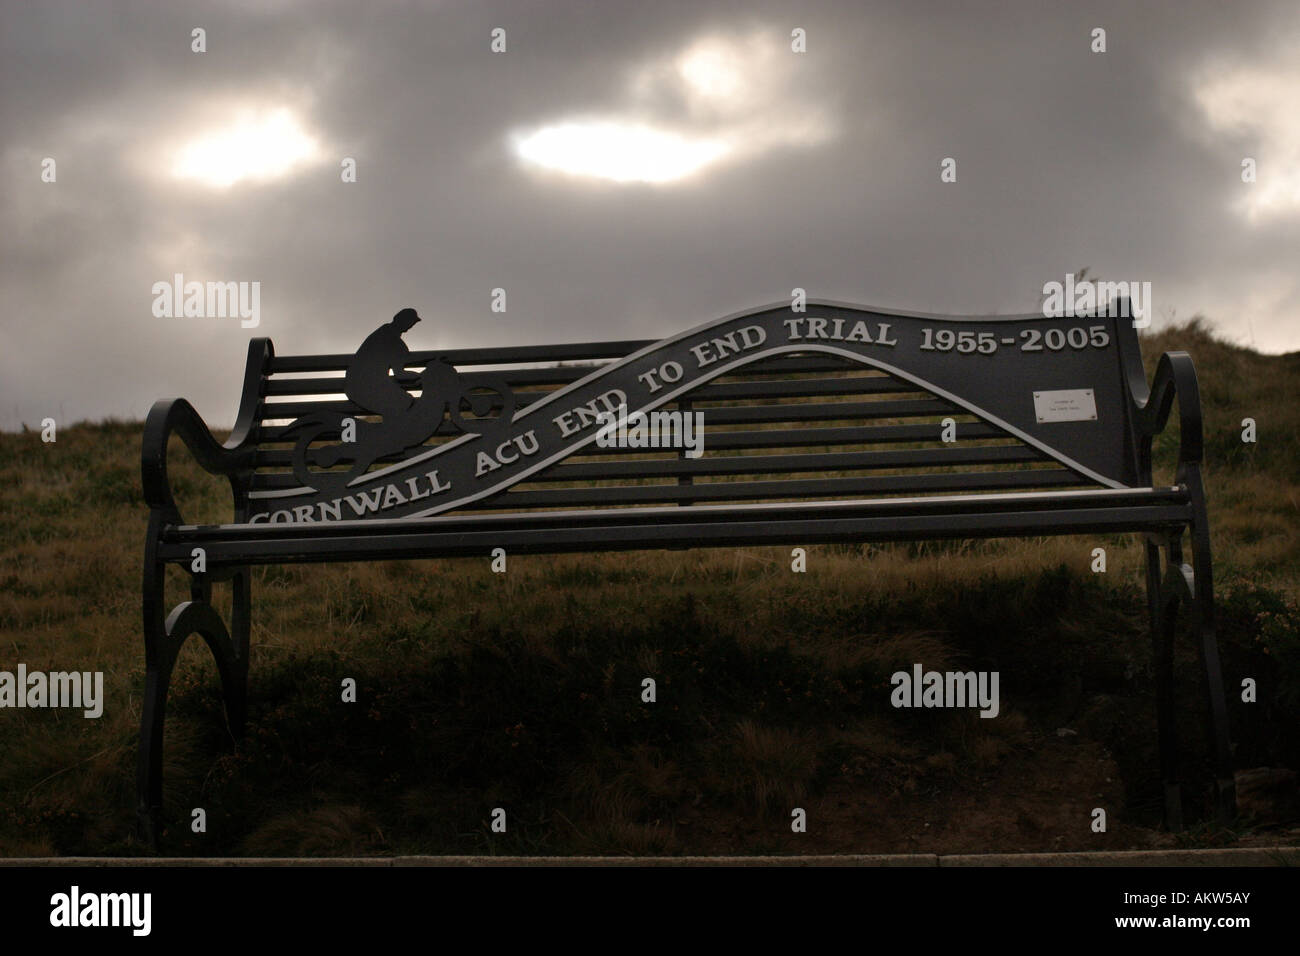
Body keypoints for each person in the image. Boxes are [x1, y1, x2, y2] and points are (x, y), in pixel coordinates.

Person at [344, 308, 422, 421]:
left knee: (402, 402)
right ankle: (392, 432)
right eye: (410, 322)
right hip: (366, 387)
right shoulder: (394, 341)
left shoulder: (383, 333)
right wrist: (422, 377)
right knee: (405, 402)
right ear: (403, 321)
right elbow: (400, 374)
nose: (410, 326)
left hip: (358, 386)